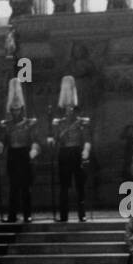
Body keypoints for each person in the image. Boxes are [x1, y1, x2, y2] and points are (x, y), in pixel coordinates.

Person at [0, 77, 40, 223]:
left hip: (24, 155)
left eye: (17, 109)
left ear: (21, 109)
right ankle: (12, 215)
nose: (15, 112)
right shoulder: (6, 125)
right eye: (13, 110)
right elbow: (4, 141)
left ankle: (27, 214)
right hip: (13, 155)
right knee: (13, 188)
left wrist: (33, 151)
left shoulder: (29, 124)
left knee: (26, 188)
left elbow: (35, 141)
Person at [50, 76, 92, 222]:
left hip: (77, 153)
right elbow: (56, 140)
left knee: (80, 185)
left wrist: (86, 151)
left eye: (71, 108)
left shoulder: (82, 123)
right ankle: (63, 215)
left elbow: (87, 139)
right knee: (64, 186)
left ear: (75, 108)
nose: (69, 110)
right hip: (64, 153)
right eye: (67, 108)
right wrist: (52, 139)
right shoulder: (58, 123)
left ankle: (82, 214)